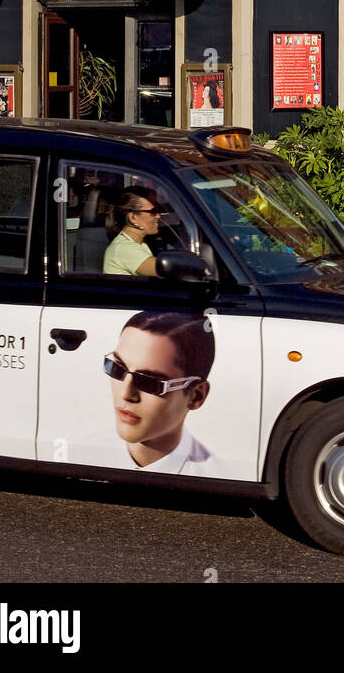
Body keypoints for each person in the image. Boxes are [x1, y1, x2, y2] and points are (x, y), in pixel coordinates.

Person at [103, 311, 220, 475]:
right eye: (116, 369)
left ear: (196, 396)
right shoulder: (81, 452)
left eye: (149, 382)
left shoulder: (216, 474)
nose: (126, 393)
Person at [103, 189, 164, 276]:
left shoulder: (139, 243)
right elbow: (166, 271)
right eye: (153, 212)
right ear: (133, 218)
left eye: (158, 210)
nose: (158, 216)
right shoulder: (124, 248)